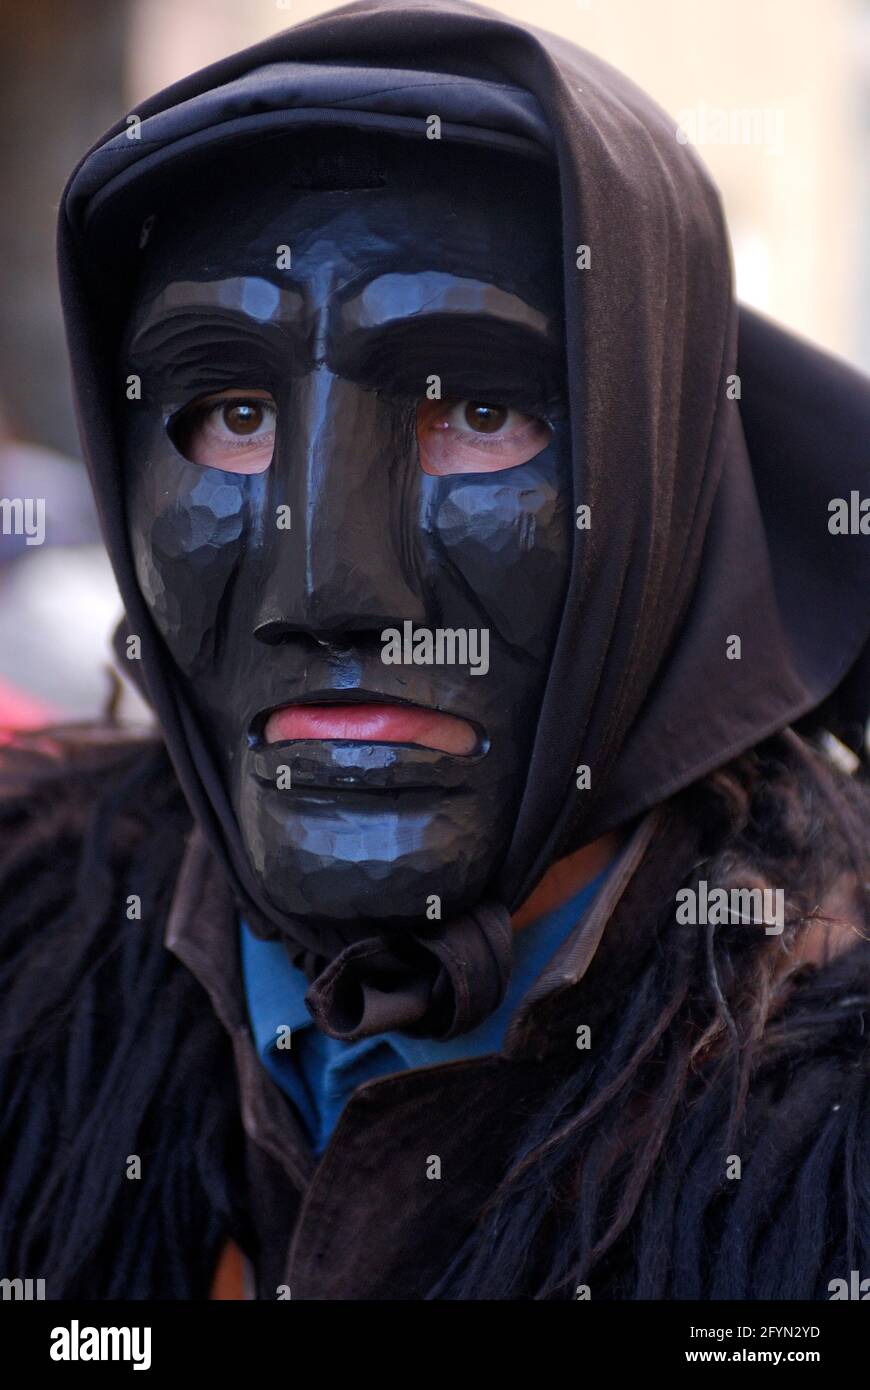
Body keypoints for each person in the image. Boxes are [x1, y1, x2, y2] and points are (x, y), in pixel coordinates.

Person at [1, 0, 867, 1301]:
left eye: (474, 407)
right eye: (232, 413)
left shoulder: (821, 1141)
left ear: (655, 472)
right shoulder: (33, 975)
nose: (325, 588)